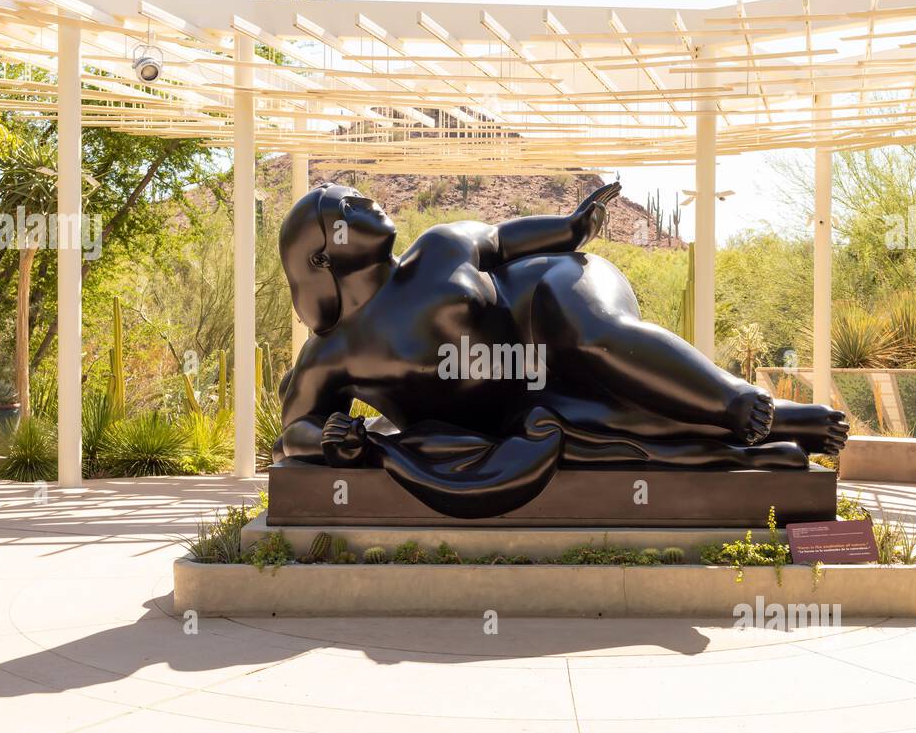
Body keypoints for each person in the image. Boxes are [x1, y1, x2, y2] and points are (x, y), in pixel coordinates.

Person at [273, 181, 848, 517]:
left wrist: (571, 229)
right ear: (323, 257)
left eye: (360, 196)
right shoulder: (332, 352)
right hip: (527, 393)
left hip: (553, 289)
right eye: (345, 210)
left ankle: (736, 402)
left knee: (593, 337)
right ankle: (789, 424)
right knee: (618, 421)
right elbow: (295, 430)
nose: (366, 203)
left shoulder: (439, 247)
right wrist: (335, 437)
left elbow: (500, 240)